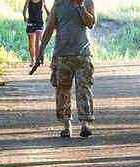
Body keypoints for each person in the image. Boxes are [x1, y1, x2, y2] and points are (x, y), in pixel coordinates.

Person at [34, 0, 96, 138]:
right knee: (62, 91)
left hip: (83, 55)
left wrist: (80, 7)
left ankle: (85, 124)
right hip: (62, 55)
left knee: (84, 89)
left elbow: (91, 23)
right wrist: (41, 50)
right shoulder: (59, 3)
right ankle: (66, 126)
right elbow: (49, 27)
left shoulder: (87, 2)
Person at [24, 0, 47, 68]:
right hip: (31, 22)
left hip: (39, 23)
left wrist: (49, 16)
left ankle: (37, 59)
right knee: (31, 43)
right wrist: (25, 17)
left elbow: (46, 8)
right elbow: (24, 9)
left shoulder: (42, 0)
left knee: (37, 41)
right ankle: (32, 60)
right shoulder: (28, 1)